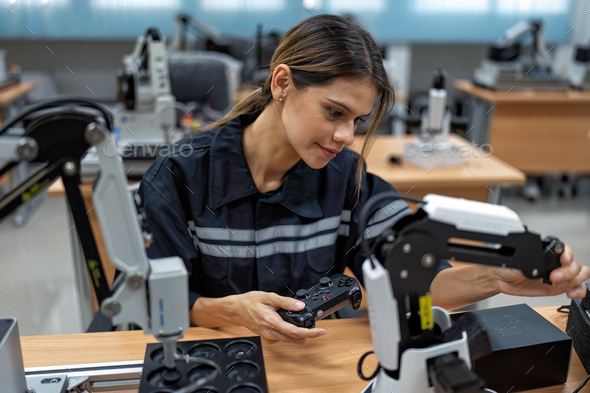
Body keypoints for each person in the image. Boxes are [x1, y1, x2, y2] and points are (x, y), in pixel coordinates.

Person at [139, 14, 590, 345]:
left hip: (311, 369)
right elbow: (158, 306)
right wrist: (228, 312)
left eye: (357, 120)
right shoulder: (179, 174)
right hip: (216, 364)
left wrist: (496, 278)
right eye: (334, 112)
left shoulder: (346, 179)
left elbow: (416, 276)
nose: (344, 136)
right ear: (282, 84)